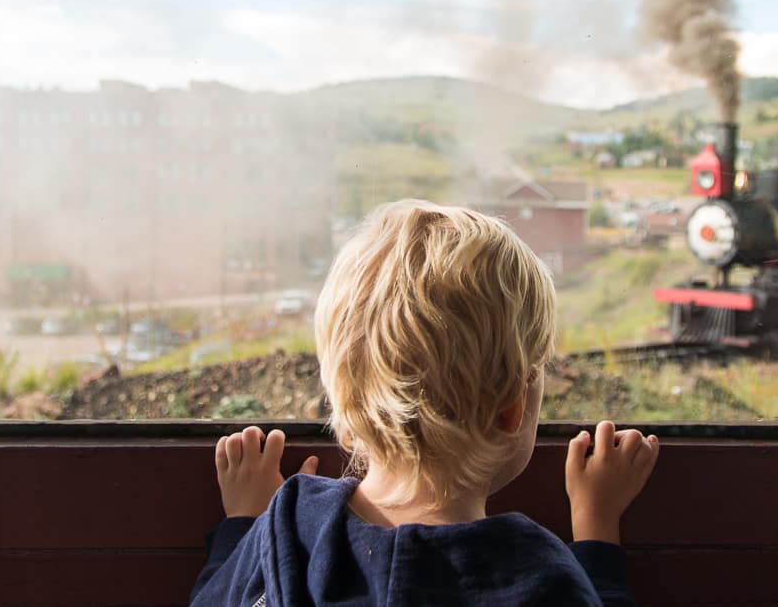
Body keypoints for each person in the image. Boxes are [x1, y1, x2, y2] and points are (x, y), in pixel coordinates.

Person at [190, 200, 659, 606]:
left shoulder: (289, 526)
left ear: (343, 407)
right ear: (511, 409)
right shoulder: (538, 576)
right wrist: (595, 527)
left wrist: (245, 525)